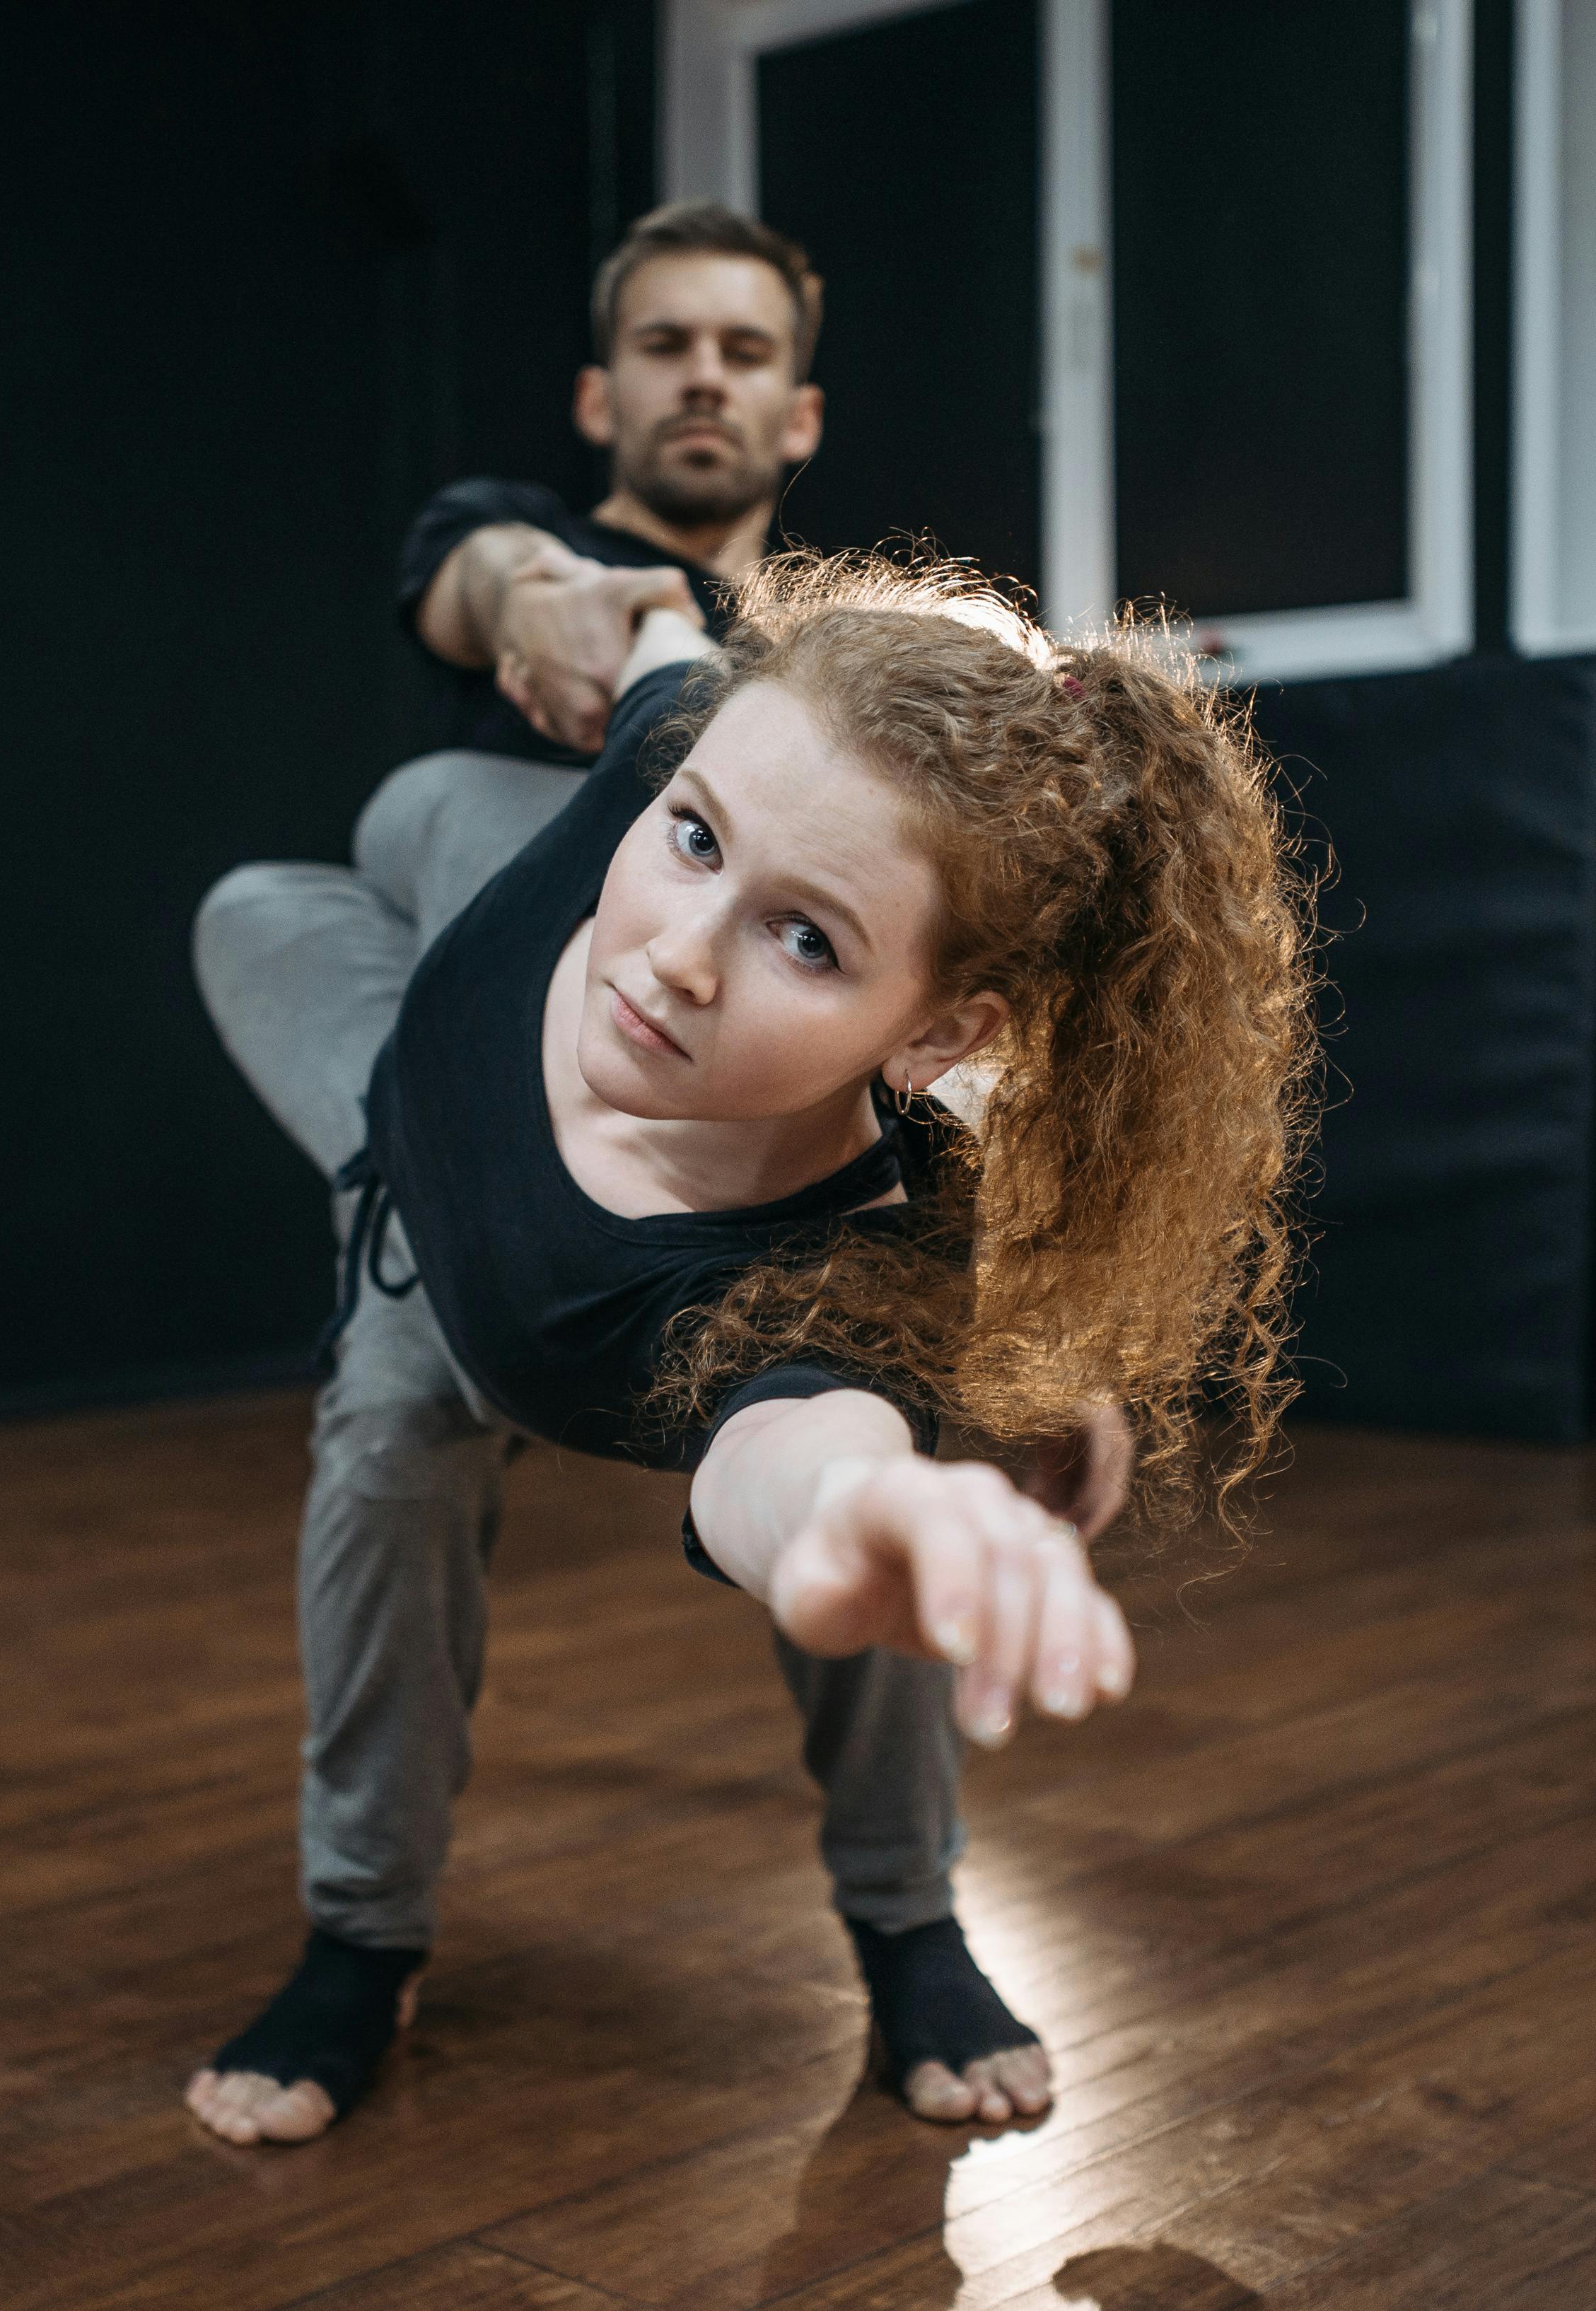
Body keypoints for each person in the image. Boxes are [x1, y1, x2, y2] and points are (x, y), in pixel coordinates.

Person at [188, 548, 1320, 2148]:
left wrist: (870, 1507)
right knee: (298, 881)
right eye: (698, 840)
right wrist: (558, 595)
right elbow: (653, 650)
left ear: (932, 1036)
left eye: (806, 940)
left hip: (554, 1288)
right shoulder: (660, 769)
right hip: (460, 953)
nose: (672, 954)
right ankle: (424, 1174)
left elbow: (796, 1448)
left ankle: (890, 1921)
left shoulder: (842, 1279)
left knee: (440, 1449)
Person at [405, 199, 827, 766]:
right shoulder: (502, 525)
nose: (704, 379)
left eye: (744, 354)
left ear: (801, 420)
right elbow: (484, 569)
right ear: (596, 401)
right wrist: (532, 597)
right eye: (664, 347)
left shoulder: (822, 660)